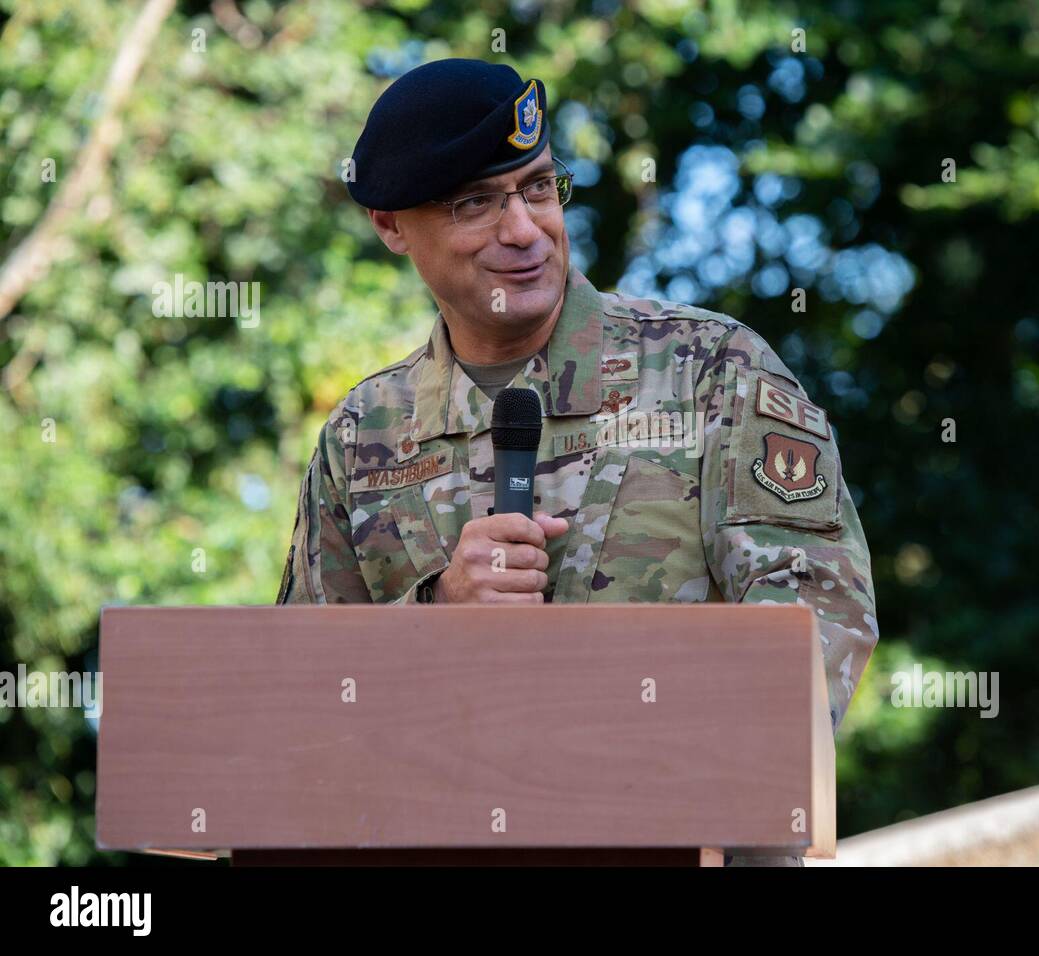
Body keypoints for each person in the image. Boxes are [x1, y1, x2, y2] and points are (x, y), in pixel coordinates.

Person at [277, 58, 880, 867]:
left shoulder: (710, 371)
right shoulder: (363, 436)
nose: (524, 229)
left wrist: (611, 746)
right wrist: (437, 620)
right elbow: (294, 705)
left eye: (536, 187)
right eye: (475, 204)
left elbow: (817, 625)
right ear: (391, 226)